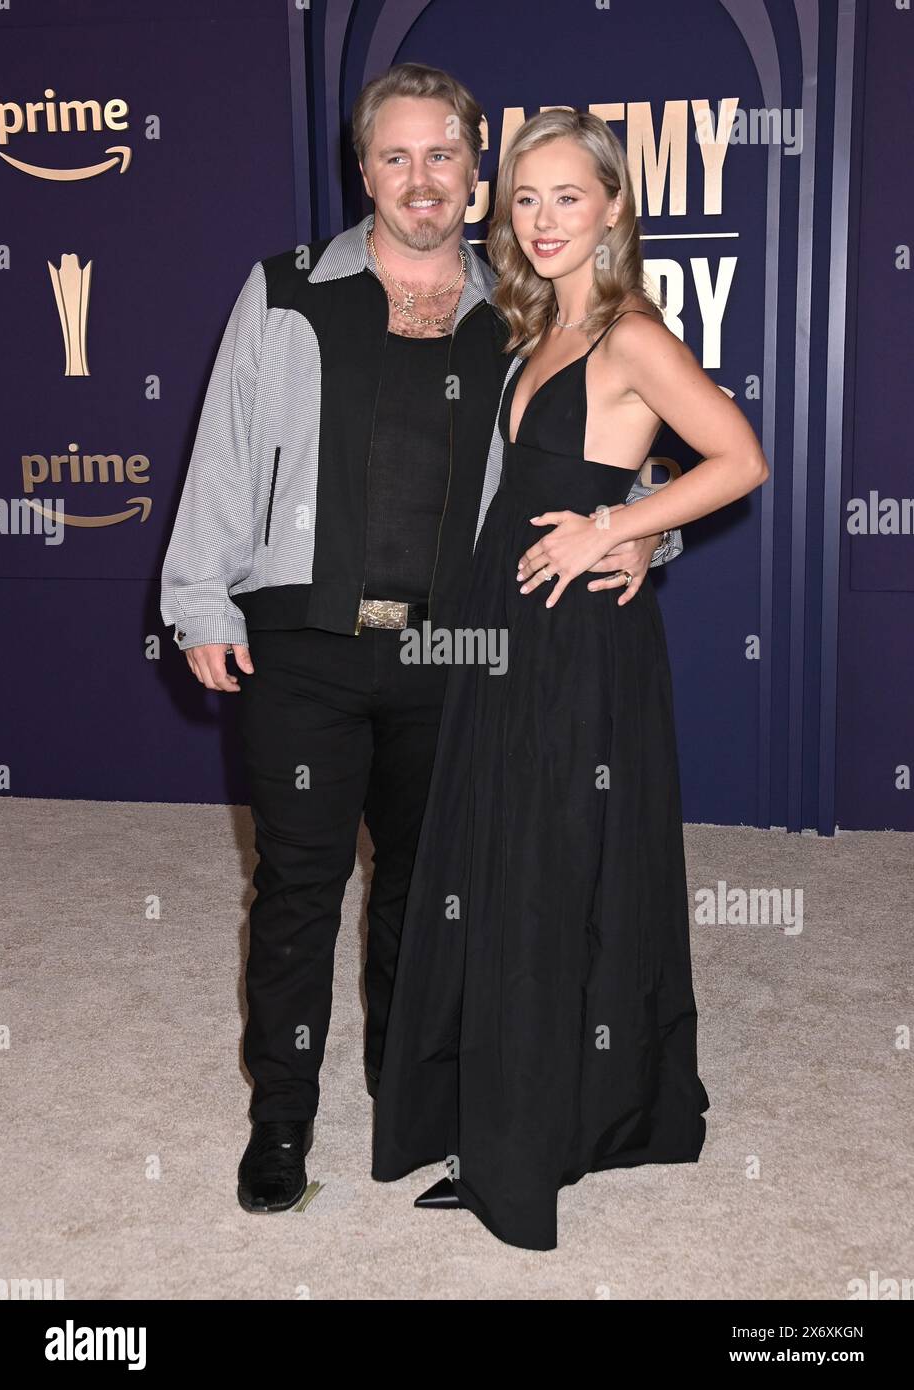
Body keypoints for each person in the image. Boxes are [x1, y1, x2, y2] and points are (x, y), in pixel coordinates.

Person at [159, 65, 681, 1216]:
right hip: (302, 641)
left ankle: (409, 1094)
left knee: (430, 888)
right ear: (363, 171)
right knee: (297, 886)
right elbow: (226, 448)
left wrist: (643, 534)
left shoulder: (521, 308)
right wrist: (200, 599)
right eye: (395, 156)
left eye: (443, 154)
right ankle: (281, 1120)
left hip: (458, 652)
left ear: (474, 170)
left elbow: (609, 446)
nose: (421, 177)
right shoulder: (286, 289)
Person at [371, 107, 770, 1251]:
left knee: (542, 872)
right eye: (527, 199)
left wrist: (618, 529)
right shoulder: (537, 325)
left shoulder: (631, 333)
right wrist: (631, 526)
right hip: (506, 626)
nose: (543, 220)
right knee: (498, 861)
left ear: (611, 209)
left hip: (573, 645)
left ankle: (527, 1140)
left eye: (568, 197)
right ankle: (535, 1108)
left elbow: (739, 457)